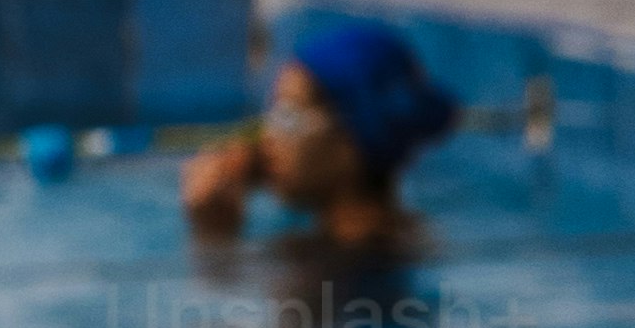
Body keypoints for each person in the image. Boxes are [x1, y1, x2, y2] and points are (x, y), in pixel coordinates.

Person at [181, 15, 461, 249]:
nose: (267, 135)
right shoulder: (334, 244)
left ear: (350, 141)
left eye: (288, 115)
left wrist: (212, 240)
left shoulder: (357, 260)